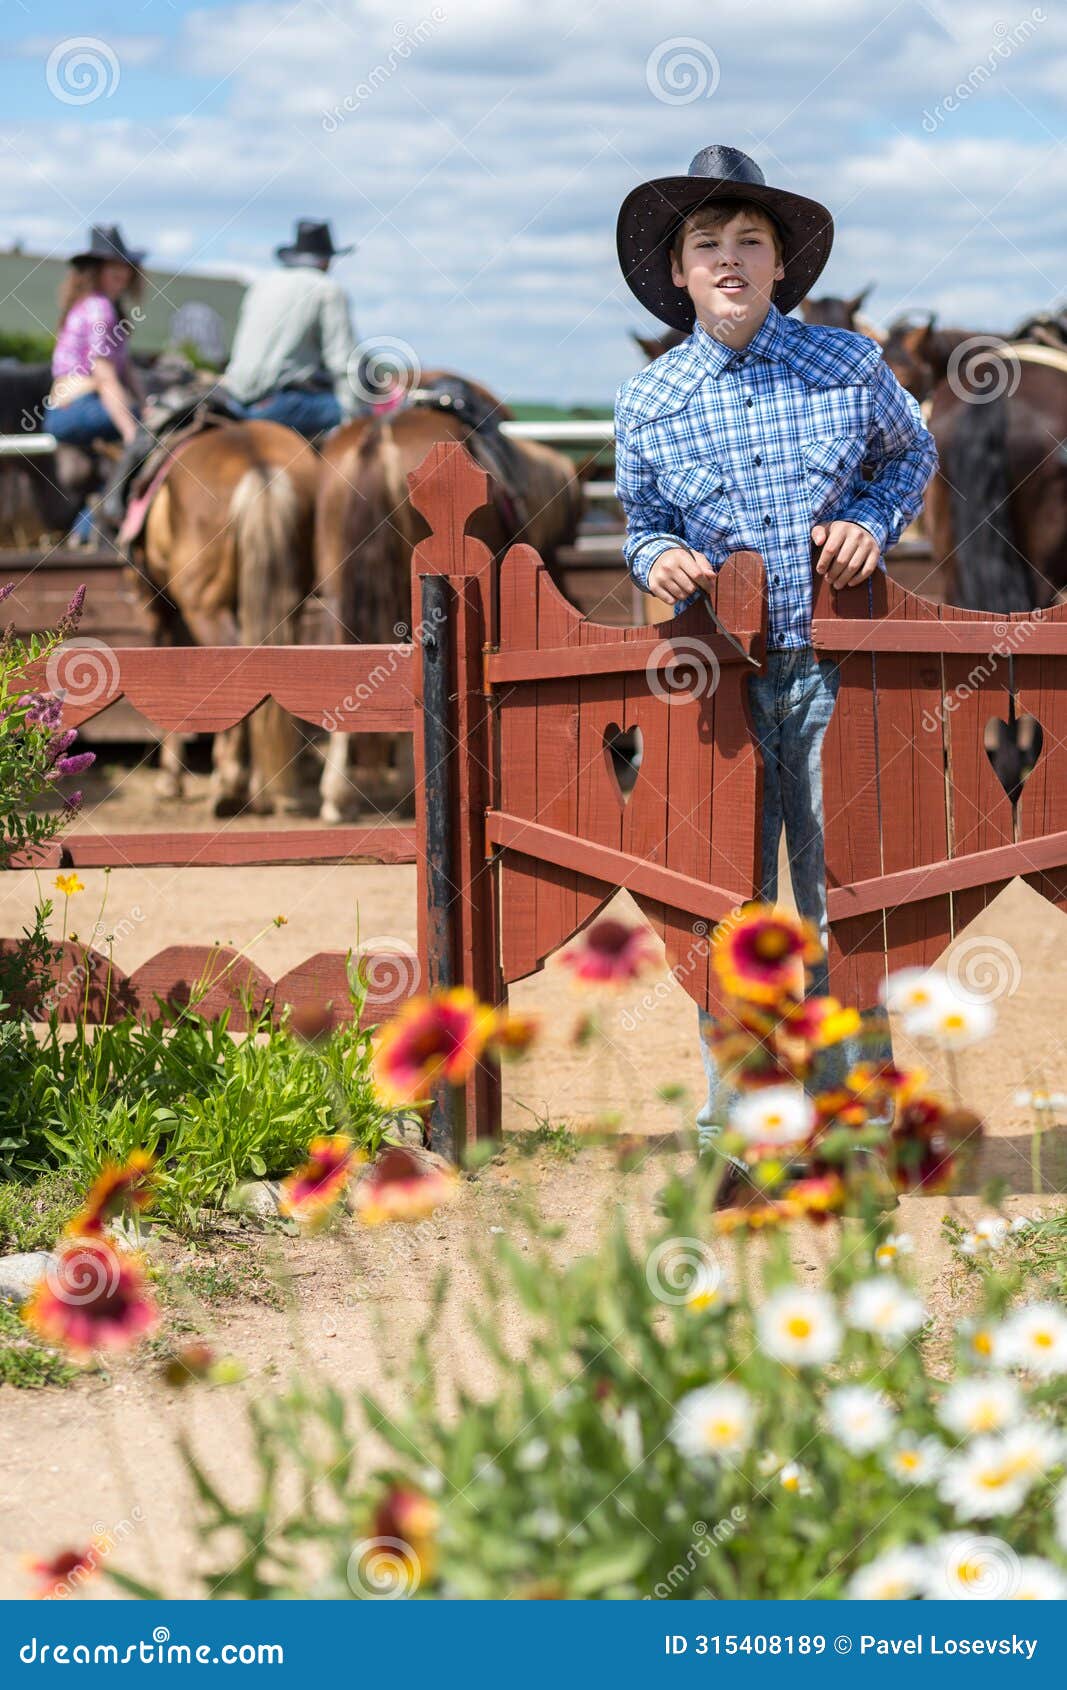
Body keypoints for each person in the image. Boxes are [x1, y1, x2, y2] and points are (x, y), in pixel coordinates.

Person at [613, 144, 939, 1140]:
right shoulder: (647, 402)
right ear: (676, 271)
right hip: (718, 691)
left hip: (838, 675)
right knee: (734, 910)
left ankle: (856, 1125)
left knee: (844, 901)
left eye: (747, 241)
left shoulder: (845, 364)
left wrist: (871, 524)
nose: (726, 259)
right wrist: (657, 554)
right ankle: (747, 1130)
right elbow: (639, 523)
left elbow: (910, 452)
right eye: (704, 243)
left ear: (779, 265)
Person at [45, 225, 152, 533]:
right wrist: (134, 429)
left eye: (124, 268)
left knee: (123, 453)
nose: (122, 274)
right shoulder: (99, 308)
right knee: (140, 440)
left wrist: (144, 407)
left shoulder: (102, 307)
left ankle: (88, 529)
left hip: (75, 407)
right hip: (76, 406)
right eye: (113, 267)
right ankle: (108, 521)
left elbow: (126, 369)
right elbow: (105, 375)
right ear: (96, 270)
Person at [220, 219, 362, 438]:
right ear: (326, 261)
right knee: (369, 419)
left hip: (236, 402)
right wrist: (352, 416)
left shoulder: (261, 284)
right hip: (283, 406)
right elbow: (343, 362)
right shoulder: (328, 289)